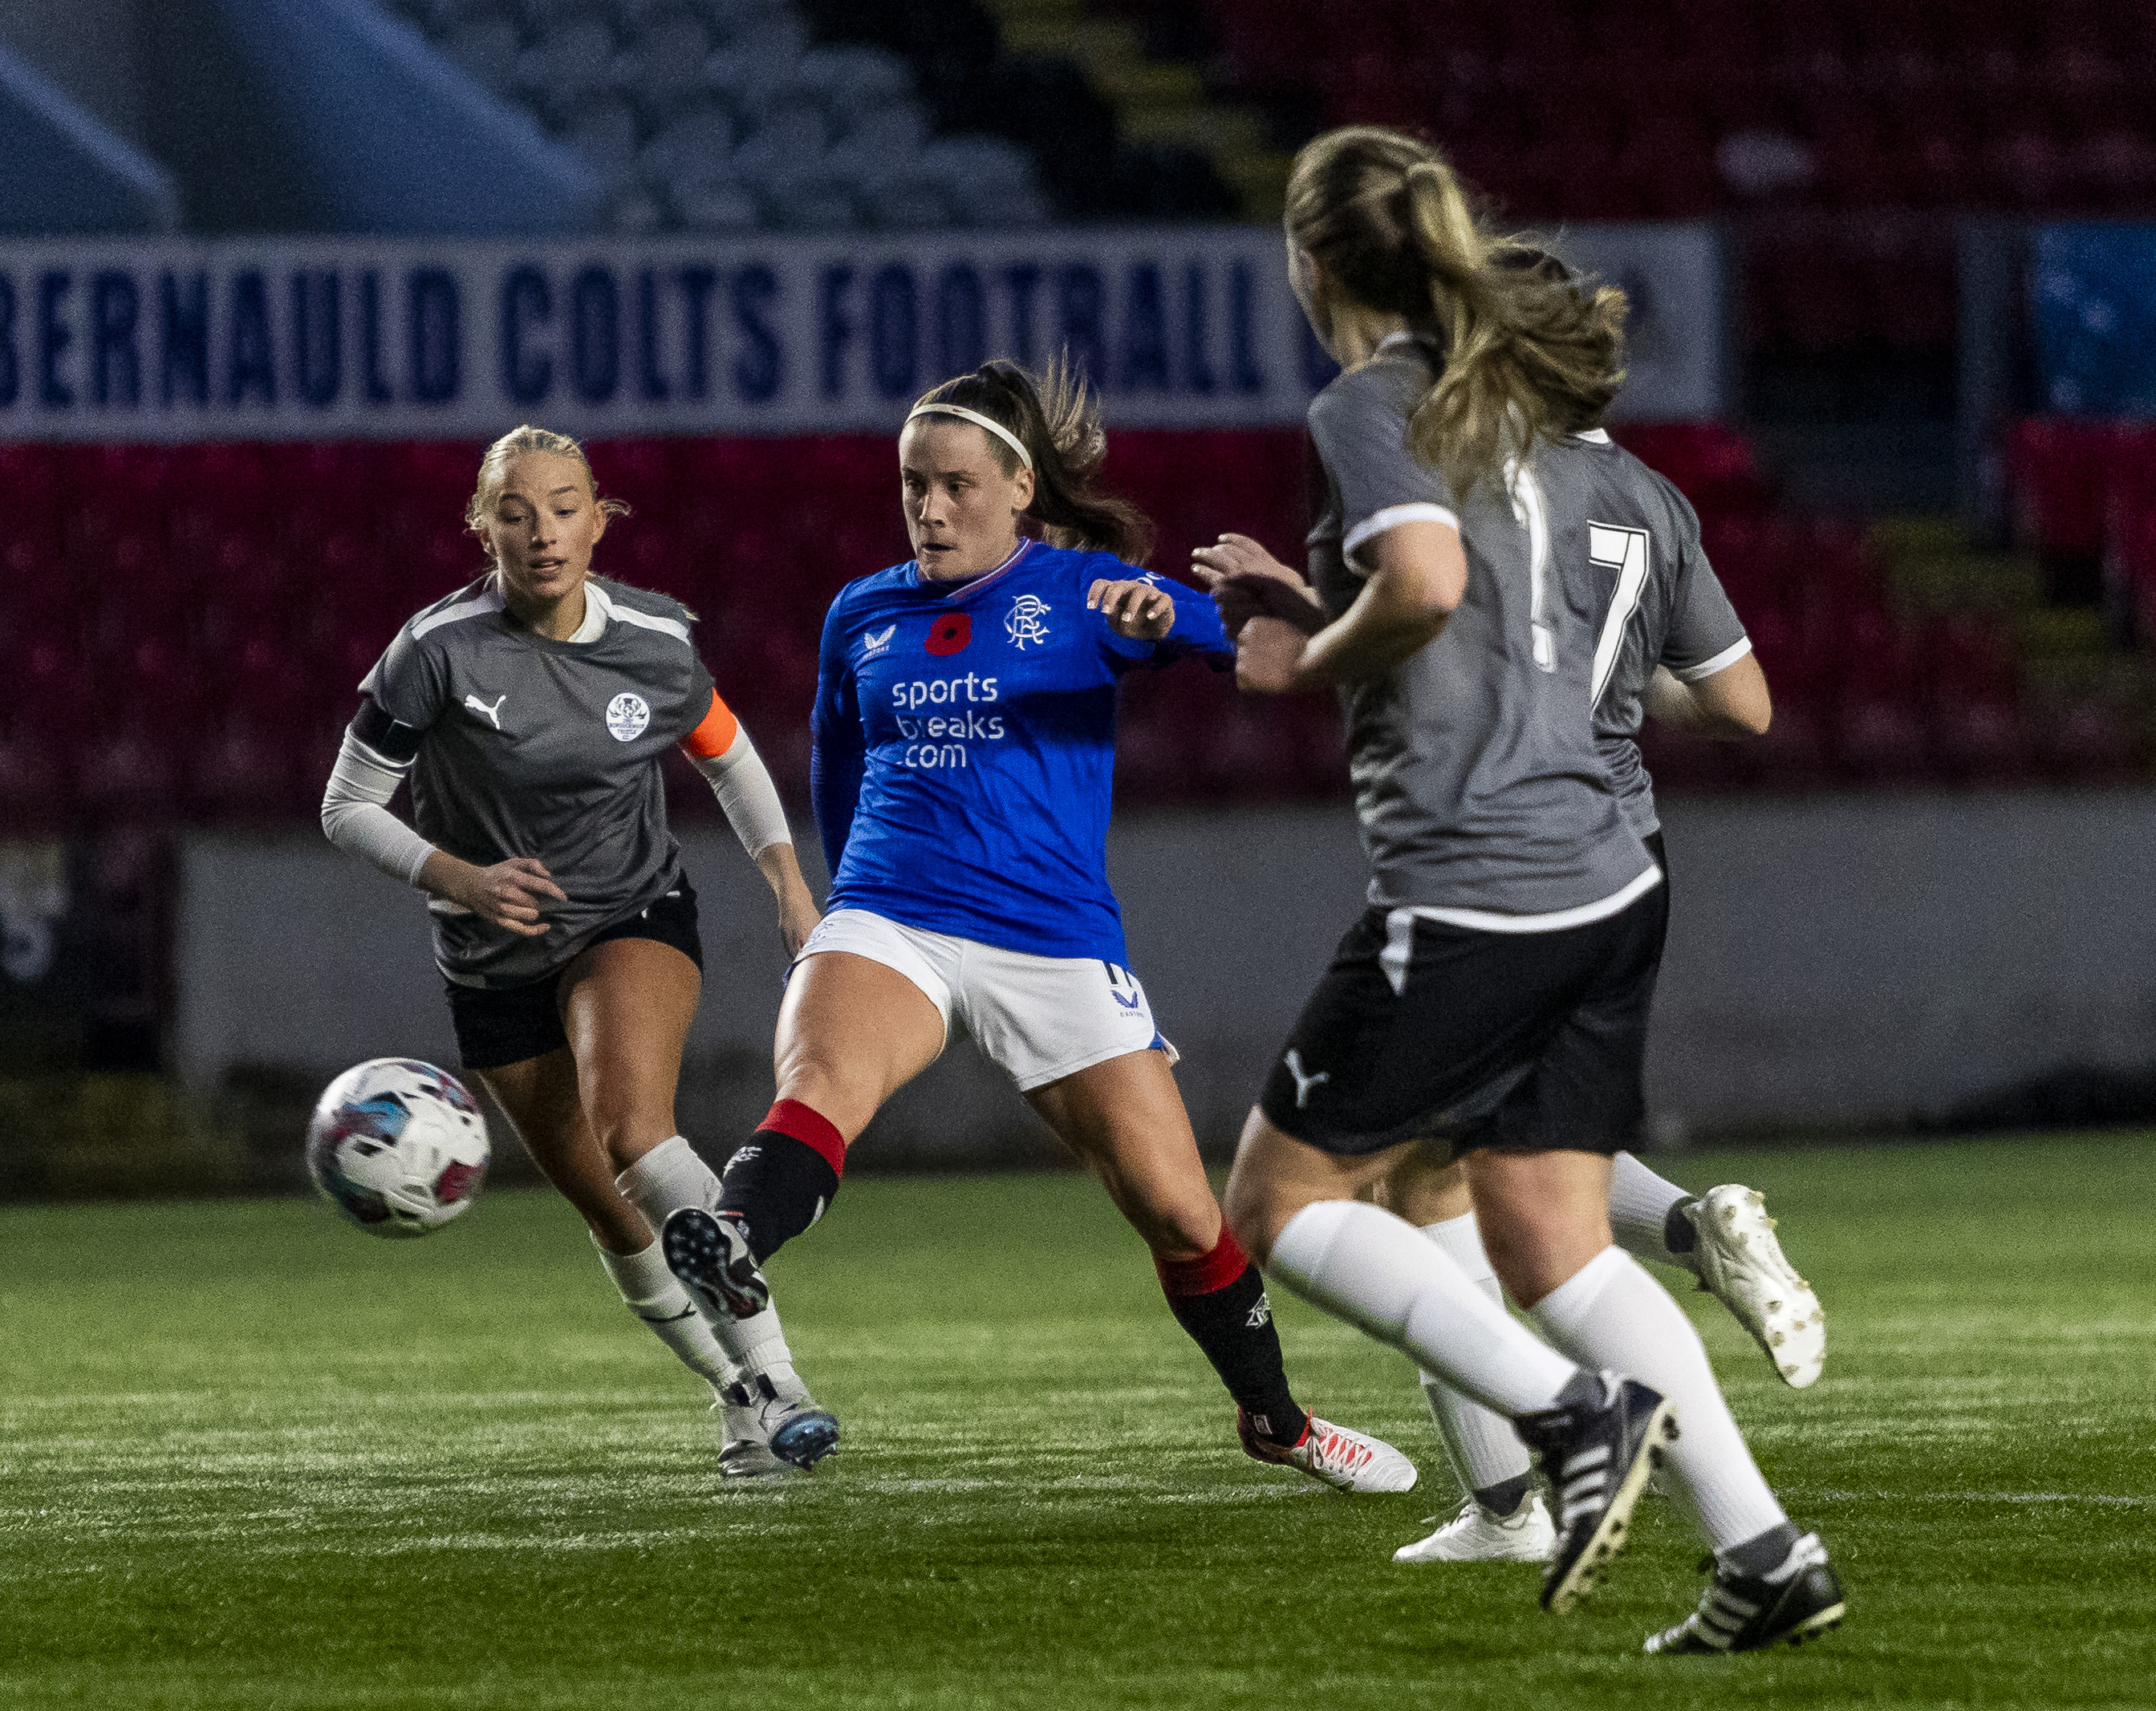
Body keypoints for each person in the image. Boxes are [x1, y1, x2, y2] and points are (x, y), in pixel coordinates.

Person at [1198, 128, 1845, 1654]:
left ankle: (1565, 1424)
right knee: (1551, 1236)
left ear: (1308, 262)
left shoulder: (1379, 402)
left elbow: (1422, 587)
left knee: (1276, 1201)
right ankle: (1761, 1555)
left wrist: (1305, 655)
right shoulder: (1574, 457)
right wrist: (1337, 614)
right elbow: (1664, 676)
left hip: (1480, 883)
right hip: (1611, 882)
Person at [658, 358, 1415, 1494]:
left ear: (1020, 489)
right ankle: (732, 1241)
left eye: (957, 484)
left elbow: (1271, 654)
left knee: (1177, 1207)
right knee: (819, 1082)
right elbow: (838, 766)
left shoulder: (1086, 591)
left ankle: (1275, 1417)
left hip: (1053, 939)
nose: (930, 506)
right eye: (913, 483)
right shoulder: (861, 613)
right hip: (893, 915)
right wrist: (829, 902)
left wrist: (1173, 619)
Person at [319, 424, 838, 1480]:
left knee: (635, 1130)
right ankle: (736, 1396)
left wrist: (786, 876)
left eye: (564, 506)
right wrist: (458, 876)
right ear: (484, 526)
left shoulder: (654, 639)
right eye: (516, 510)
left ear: (602, 520)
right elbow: (345, 805)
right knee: (605, 1201)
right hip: (489, 958)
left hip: (628, 913)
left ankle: (781, 1375)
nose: (543, 530)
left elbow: (729, 758)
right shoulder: (435, 651)